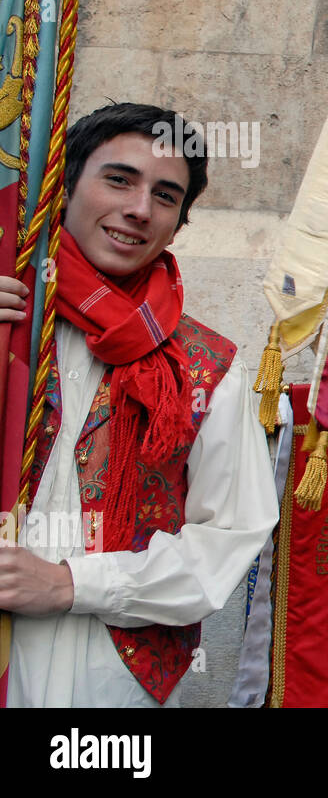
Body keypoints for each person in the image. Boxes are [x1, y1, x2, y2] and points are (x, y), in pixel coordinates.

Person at [0, 102, 279, 707]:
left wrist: (70, 584)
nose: (138, 209)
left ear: (178, 224)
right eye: (119, 179)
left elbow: (231, 535)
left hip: (114, 679)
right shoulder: (10, 325)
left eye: (166, 196)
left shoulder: (209, 366)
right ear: (65, 184)